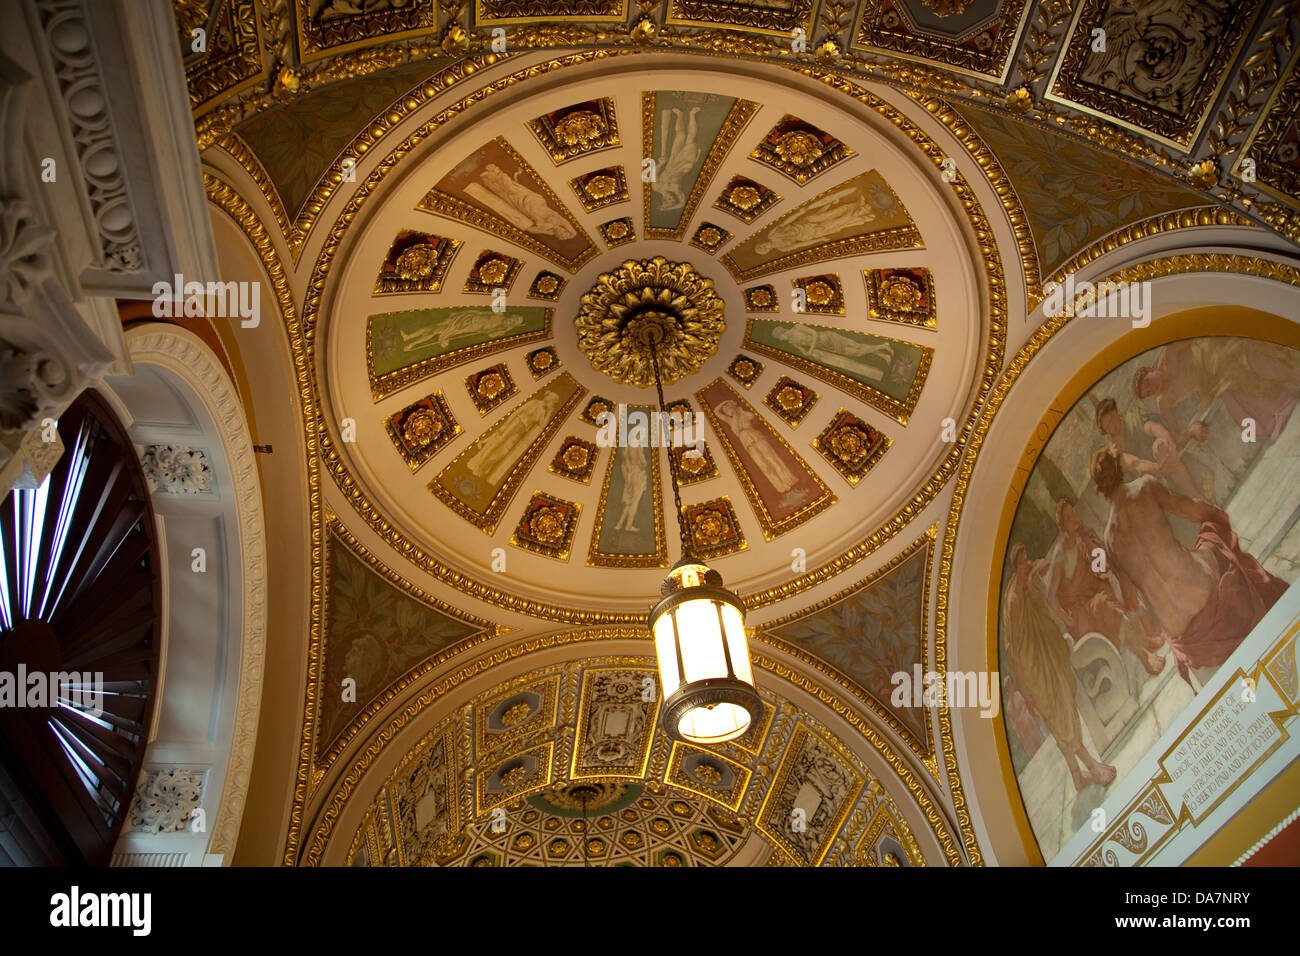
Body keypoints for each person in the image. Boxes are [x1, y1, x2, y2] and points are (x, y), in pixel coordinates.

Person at [1091, 448, 1288, 687]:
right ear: (1118, 468)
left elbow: (1131, 602)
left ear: (1100, 489)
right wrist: (1219, 517)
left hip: (1179, 628)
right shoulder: (1144, 487)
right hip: (1201, 593)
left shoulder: (1109, 539)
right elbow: (1194, 510)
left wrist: (1153, 622)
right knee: (1213, 537)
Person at [1003, 543, 1116, 791]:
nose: (1026, 564)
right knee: (1062, 719)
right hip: (1036, 672)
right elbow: (1016, 649)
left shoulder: (1025, 579)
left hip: (1048, 659)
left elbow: (1044, 562)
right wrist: (1027, 691)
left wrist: (1032, 575)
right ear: (1015, 567)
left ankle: (1077, 779)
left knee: (1062, 716)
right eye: (1022, 563)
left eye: (1026, 561)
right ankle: (1093, 767)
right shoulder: (1014, 600)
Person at [1044, 498, 1165, 675]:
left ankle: (1145, 640)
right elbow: (1051, 596)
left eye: (1074, 513)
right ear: (1063, 527)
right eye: (1069, 517)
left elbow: (1100, 568)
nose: (1075, 518)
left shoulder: (1082, 537)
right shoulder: (1060, 553)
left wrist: (1095, 545)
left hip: (1093, 594)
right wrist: (1066, 618)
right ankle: (1145, 656)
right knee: (1105, 604)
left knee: (1116, 587)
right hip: (1079, 612)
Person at [1134, 339, 1300, 446]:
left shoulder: (1169, 354)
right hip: (1211, 382)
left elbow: (1198, 335)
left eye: (1148, 382)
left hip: (1213, 355)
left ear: (1150, 369)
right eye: (1149, 392)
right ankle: (1280, 409)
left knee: (1240, 357)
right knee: (1226, 390)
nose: (1153, 388)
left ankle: (1284, 402)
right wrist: (1191, 431)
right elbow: (1177, 438)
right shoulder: (1163, 402)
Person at [771, 324, 894, 383]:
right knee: (856, 351)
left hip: (827, 338)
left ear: (782, 333)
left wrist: (810, 348)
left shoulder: (797, 328)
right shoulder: (792, 341)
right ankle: (884, 354)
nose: (782, 340)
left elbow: (814, 333)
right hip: (827, 347)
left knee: (856, 349)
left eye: (780, 338)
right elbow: (804, 352)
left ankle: (883, 346)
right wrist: (808, 353)